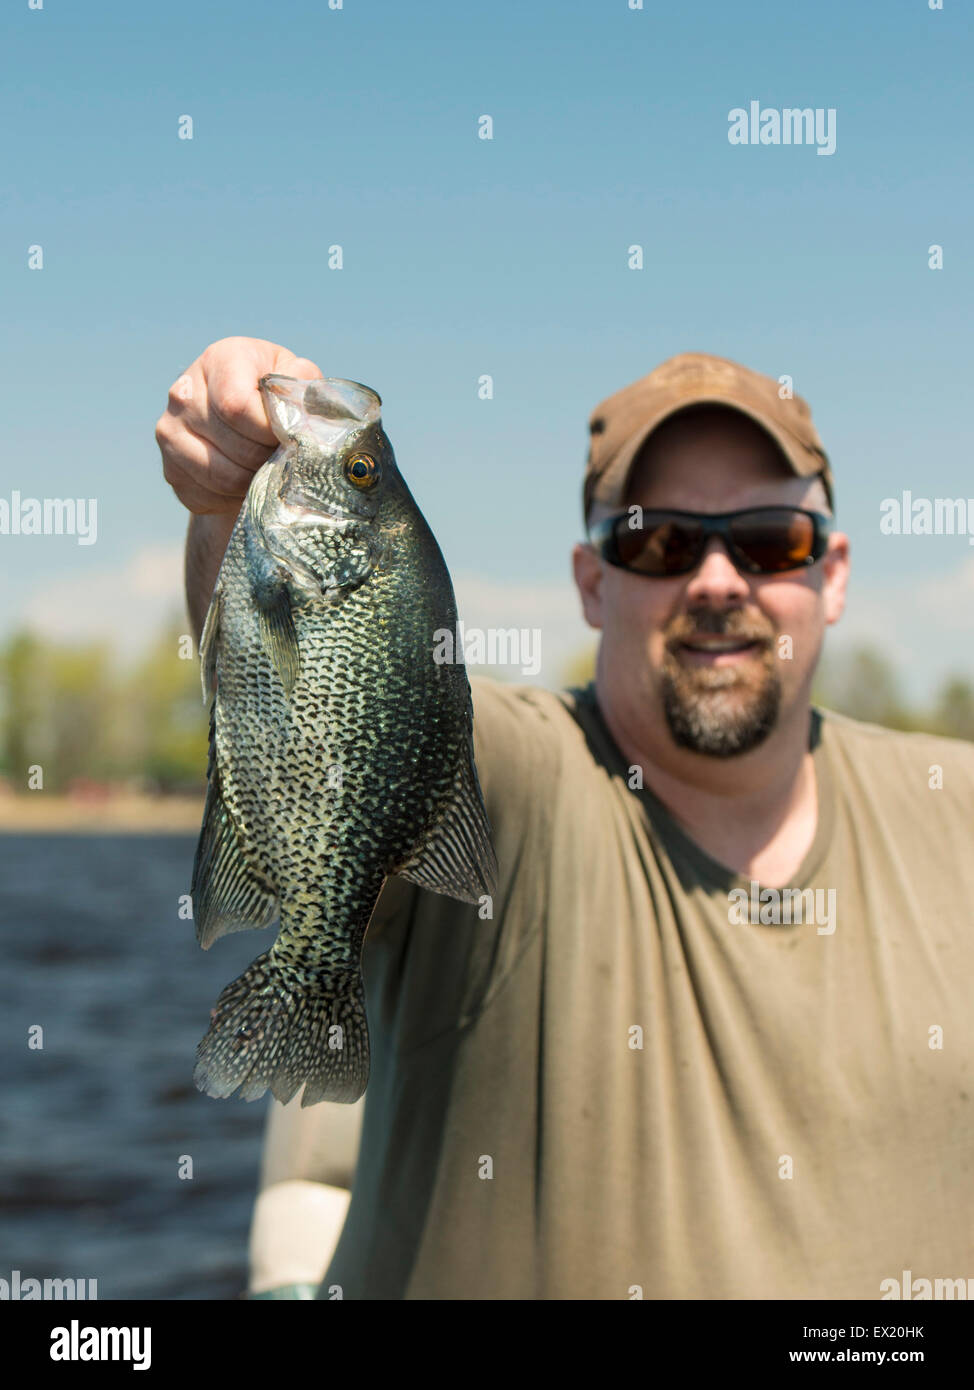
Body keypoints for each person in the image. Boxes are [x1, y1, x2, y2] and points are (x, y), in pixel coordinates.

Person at [158, 341, 974, 1300]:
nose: (717, 580)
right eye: (660, 542)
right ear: (593, 582)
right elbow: (307, 711)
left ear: (831, 574)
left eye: (767, 539)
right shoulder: (518, 779)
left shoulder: (953, 805)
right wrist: (224, 497)